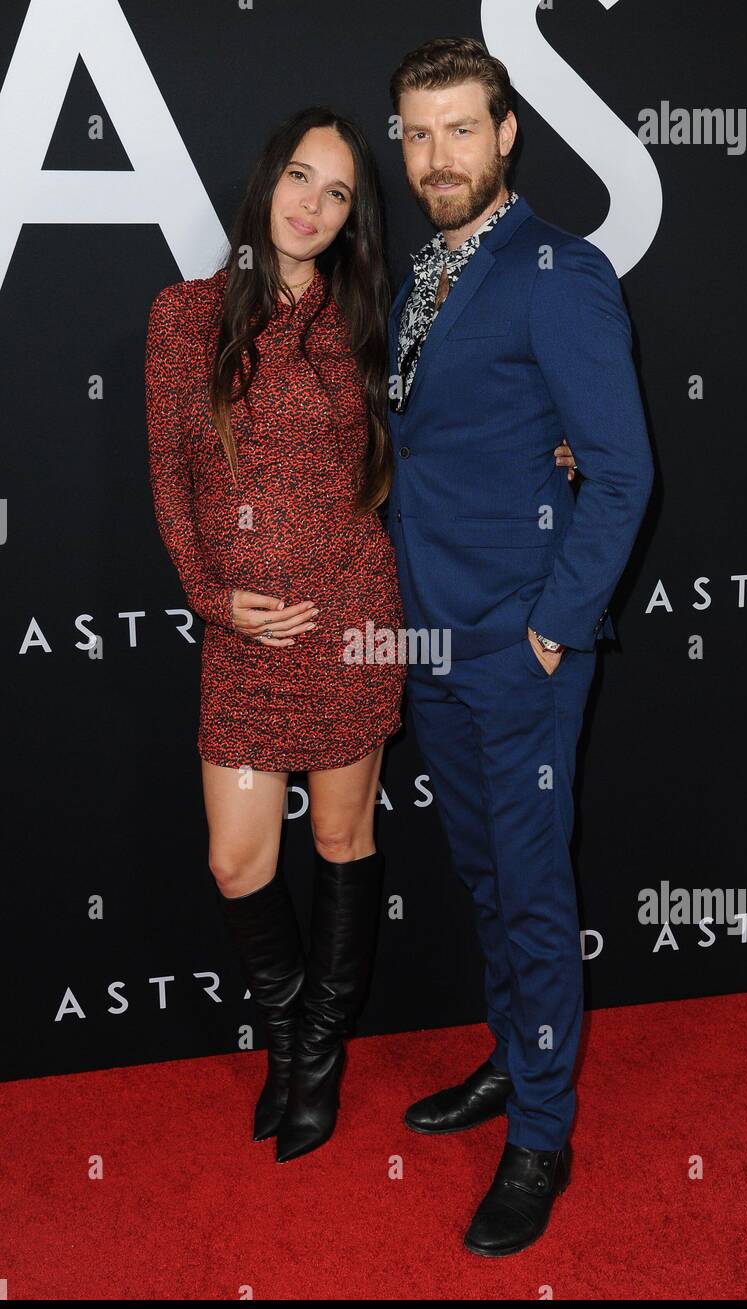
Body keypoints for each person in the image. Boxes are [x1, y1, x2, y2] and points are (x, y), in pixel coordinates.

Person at [386, 37, 654, 1256]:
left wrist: (547, 635)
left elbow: (621, 472)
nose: (435, 156)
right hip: (431, 638)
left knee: (535, 893)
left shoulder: (558, 269)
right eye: (416, 132)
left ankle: (541, 1132)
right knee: (491, 881)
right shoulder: (421, 271)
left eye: (458, 129)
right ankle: (513, 1059)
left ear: (505, 135)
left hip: (516, 648)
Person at [144, 109, 406, 1164]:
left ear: (349, 221)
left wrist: (557, 448)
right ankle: (295, 1032)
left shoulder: (361, 321)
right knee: (235, 859)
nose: (311, 203)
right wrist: (212, 596)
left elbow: (436, 436)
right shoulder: (183, 314)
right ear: (264, 186)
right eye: (300, 177)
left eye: (336, 193)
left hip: (351, 619)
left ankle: (312, 1057)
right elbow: (168, 474)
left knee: (343, 843)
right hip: (246, 638)